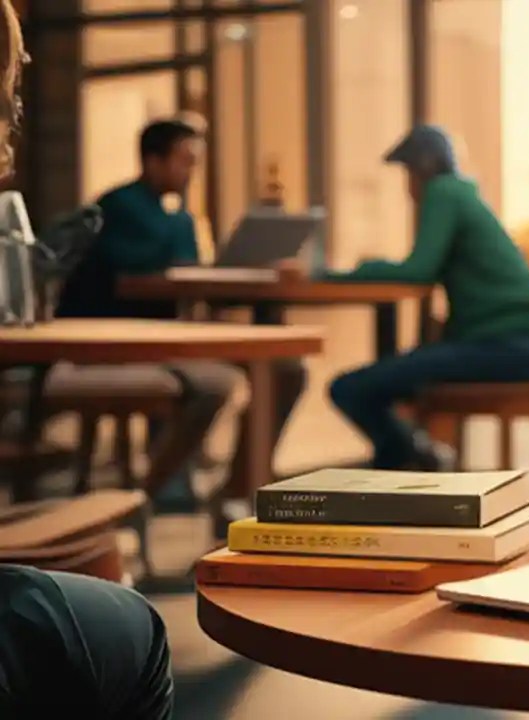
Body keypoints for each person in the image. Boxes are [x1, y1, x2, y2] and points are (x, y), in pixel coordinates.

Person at [0, 3, 174, 717]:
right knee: (135, 630)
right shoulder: (125, 207)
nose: (13, 125)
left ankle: (158, 492)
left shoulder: (174, 213)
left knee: (228, 383)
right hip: (101, 348)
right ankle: (154, 497)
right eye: (9, 98)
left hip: (154, 349)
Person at [57, 120, 307, 507]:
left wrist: (260, 268)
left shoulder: (181, 217)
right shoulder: (116, 208)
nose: (191, 172)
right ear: (153, 161)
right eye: (184, 161)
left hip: (177, 333)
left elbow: (194, 277)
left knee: (287, 370)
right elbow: (130, 278)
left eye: (196, 163)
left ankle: (239, 484)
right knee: (215, 384)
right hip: (125, 338)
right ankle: (155, 488)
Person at [326, 125, 529, 470]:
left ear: (423, 169)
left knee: (350, 388)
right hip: (522, 346)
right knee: (397, 376)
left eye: (408, 173)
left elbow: (419, 270)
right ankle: (408, 459)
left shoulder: (444, 194)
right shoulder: (465, 194)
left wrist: (346, 272)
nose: (409, 187)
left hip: (507, 348)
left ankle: (414, 458)